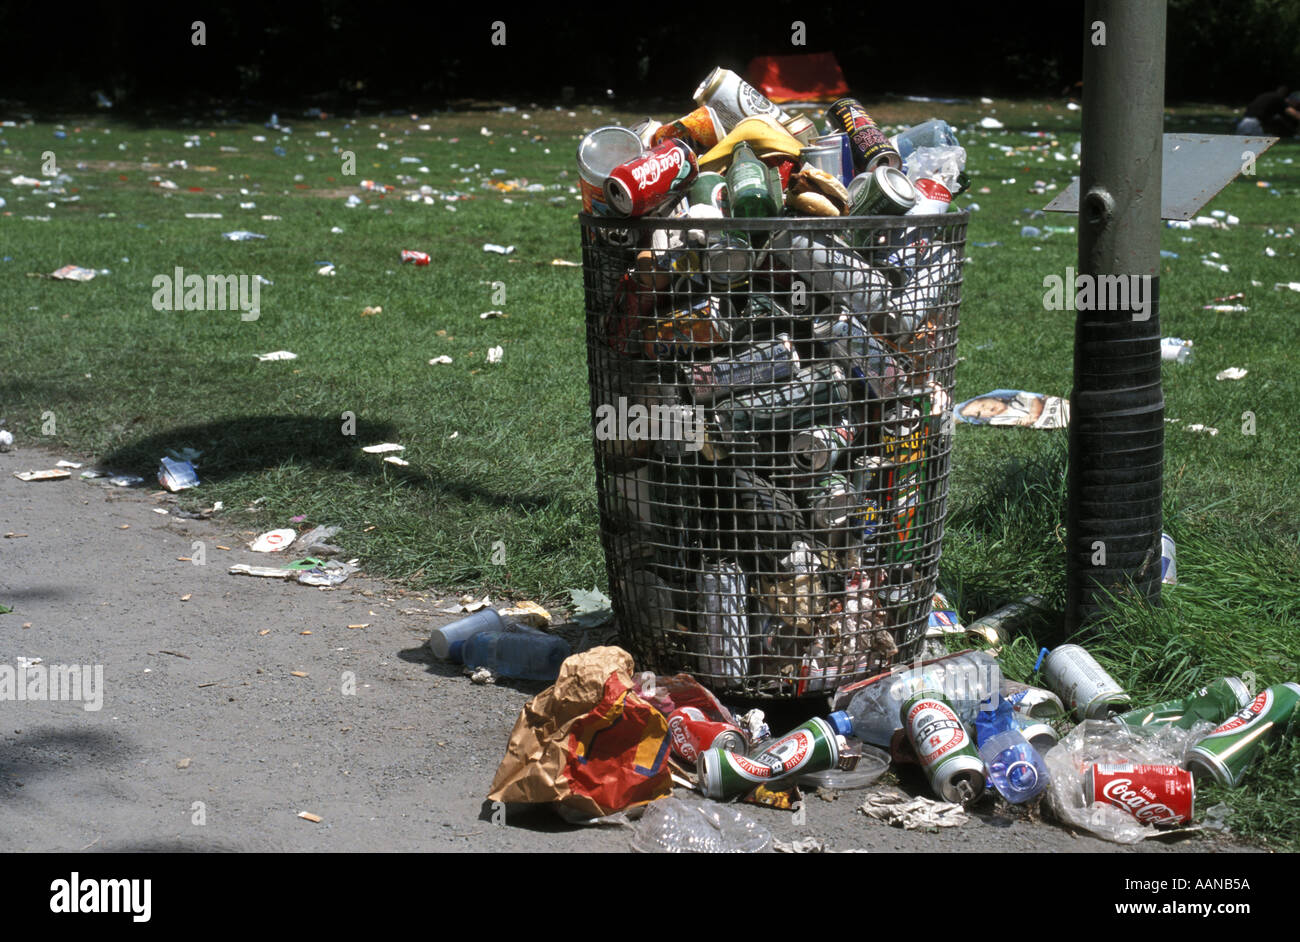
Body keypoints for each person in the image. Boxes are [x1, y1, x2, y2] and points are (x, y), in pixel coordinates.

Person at [1236, 86, 1300, 136]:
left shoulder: (1269, 96)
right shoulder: (1279, 99)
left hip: (1244, 122)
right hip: (1252, 124)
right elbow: (1294, 113)